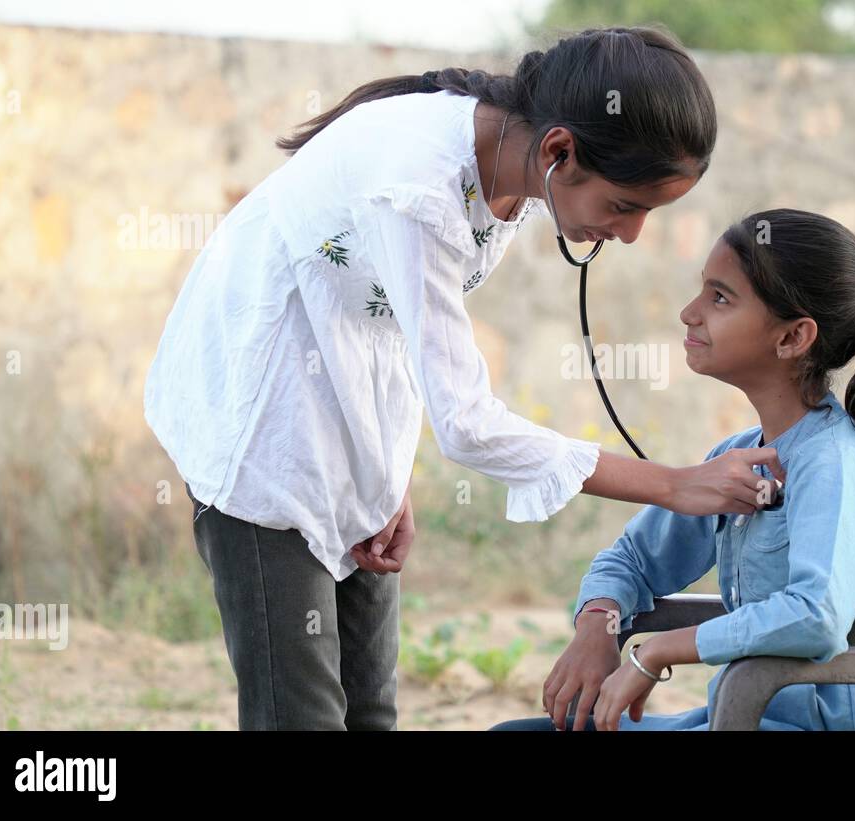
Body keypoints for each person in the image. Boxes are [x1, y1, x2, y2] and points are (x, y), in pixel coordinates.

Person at [144, 27, 785, 731]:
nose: (629, 234)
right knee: (300, 713)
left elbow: (396, 327)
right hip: (263, 426)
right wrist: (676, 483)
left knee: (371, 710)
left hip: (347, 422)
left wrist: (384, 472)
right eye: (624, 205)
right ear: (559, 151)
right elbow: (468, 422)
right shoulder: (418, 186)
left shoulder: (510, 168)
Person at [490, 208, 855, 731]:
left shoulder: (838, 464)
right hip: (744, 715)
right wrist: (598, 625)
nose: (689, 313)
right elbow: (633, 558)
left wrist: (658, 651)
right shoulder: (739, 457)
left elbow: (815, 617)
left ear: (792, 338)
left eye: (719, 298)